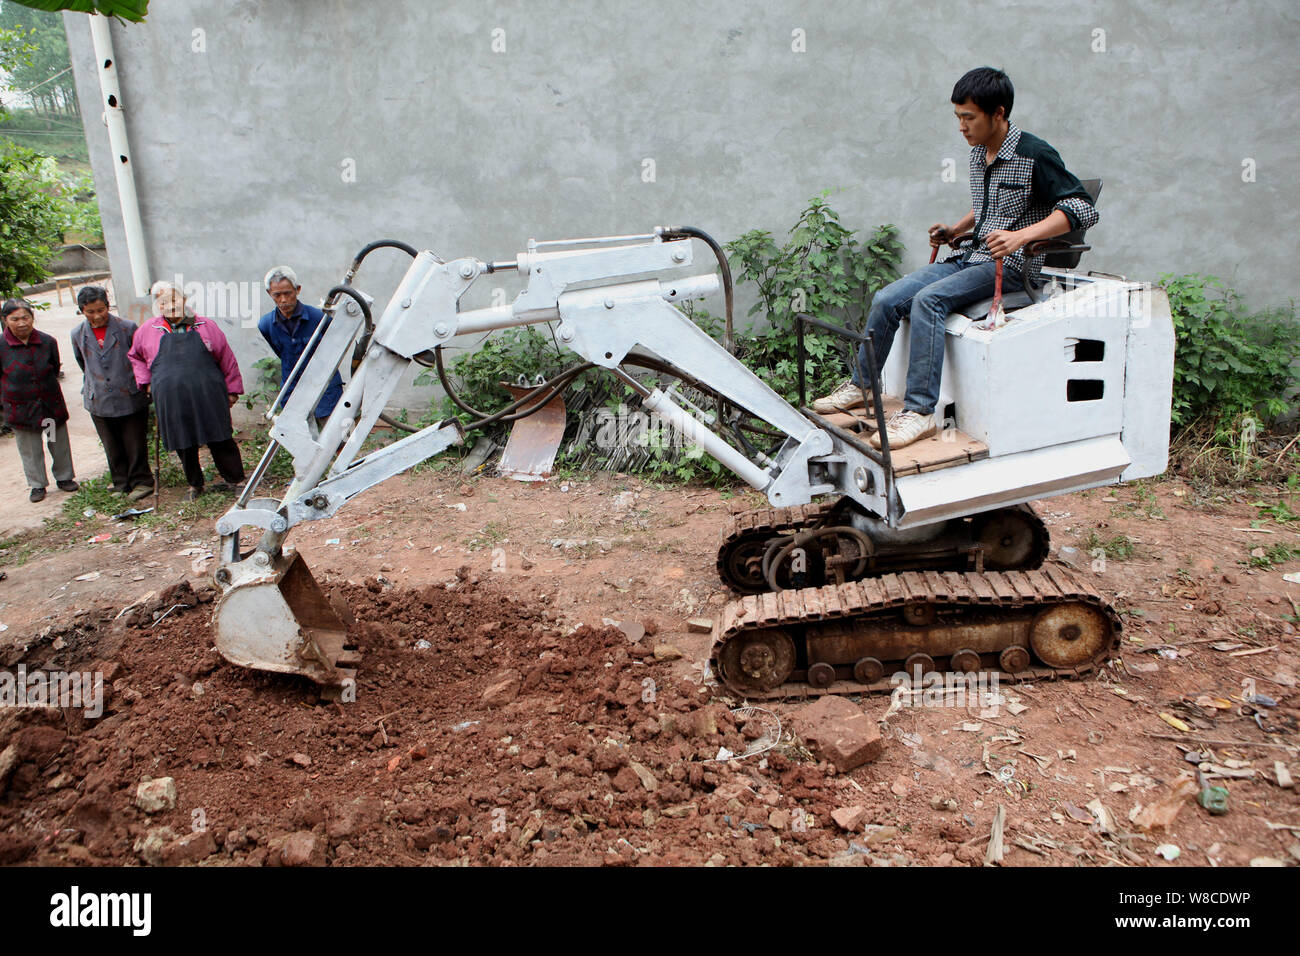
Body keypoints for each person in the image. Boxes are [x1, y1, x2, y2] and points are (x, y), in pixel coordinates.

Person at [813, 67, 1099, 450]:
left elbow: (1081, 208)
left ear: (998, 114)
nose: (962, 127)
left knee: (928, 301)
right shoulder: (979, 153)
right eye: (957, 118)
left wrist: (1020, 237)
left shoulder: (1035, 154)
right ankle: (862, 385)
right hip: (970, 255)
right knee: (886, 298)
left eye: (969, 117)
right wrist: (956, 230)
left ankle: (918, 413)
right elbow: (986, 209)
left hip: (1010, 268)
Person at [127, 282, 246, 500]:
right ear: (157, 306)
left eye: (174, 299)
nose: (170, 305)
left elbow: (226, 357)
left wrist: (232, 390)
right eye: (164, 302)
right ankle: (195, 484)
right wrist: (147, 383)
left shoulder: (205, 325)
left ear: (183, 300)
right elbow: (135, 357)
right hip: (171, 396)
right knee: (183, 440)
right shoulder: (148, 331)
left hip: (207, 392)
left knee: (220, 436)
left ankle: (236, 479)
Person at [69, 286, 154, 501]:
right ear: (82, 311)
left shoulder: (126, 328)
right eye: (90, 312)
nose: (97, 316)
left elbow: (140, 358)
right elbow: (83, 362)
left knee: (134, 441)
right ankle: (120, 482)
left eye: (101, 310)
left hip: (129, 394)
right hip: (98, 398)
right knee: (111, 444)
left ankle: (141, 481)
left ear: (108, 306)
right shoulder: (78, 334)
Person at [0, 299, 79, 502]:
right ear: (5, 320)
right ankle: (37, 484)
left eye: (25, 317)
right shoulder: (1, 347)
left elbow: (54, 367)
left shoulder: (47, 341)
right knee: (30, 448)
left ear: (32, 318)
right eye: (14, 319)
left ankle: (64, 477)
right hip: (21, 409)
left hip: (49, 406)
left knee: (56, 441)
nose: (21, 323)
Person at [257, 266, 343, 429]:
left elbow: (334, 350)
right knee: (301, 440)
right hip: (293, 389)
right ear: (269, 294)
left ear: (297, 290)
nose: (283, 300)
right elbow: (281, 353)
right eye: (277, 295)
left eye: (287, 293)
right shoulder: (266, 325)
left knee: (336, 438)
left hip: (326, 388)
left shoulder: (319, 319)